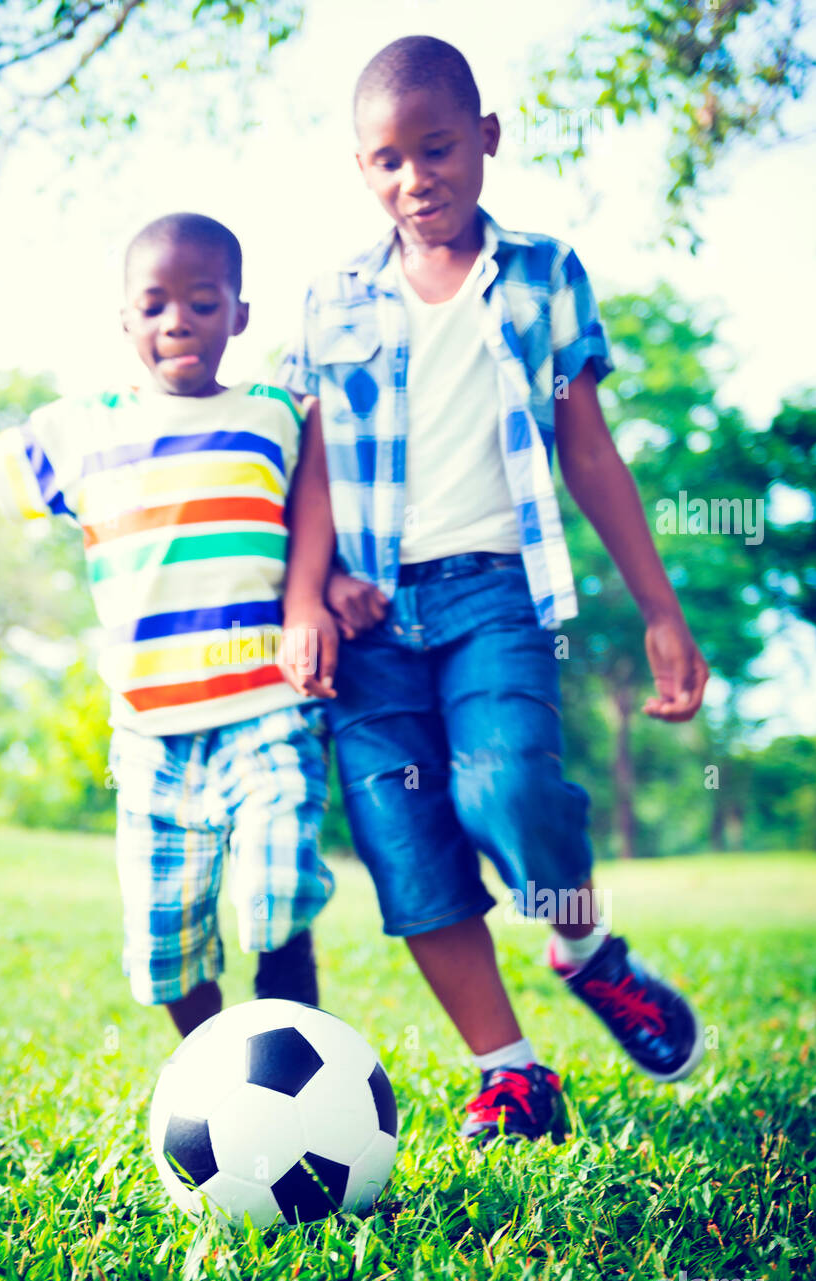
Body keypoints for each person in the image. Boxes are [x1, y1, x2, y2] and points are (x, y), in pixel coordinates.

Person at [277, 36, 711, 1143]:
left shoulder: (543, 274)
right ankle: (510, 1071)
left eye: (434, 149)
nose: (414, 177)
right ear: (359, 170)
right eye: (385, 161)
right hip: (368, 620)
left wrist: (660, 607)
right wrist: (308, 596)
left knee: (506, 790)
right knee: (405, 845)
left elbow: (590, 450)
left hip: (493, 597)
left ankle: (580, 945)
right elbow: (313, 462)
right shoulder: (329, 299)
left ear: (484, 139)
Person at [0, 212, 334, 1038]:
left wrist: (330, 594)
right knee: (167, 949)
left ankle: (292, 1019)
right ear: (124, 320)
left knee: (274, 889)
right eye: (153, 305)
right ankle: (214, 1072)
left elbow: (322, 510)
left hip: (264, 706)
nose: (177, 322)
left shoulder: (277, 413)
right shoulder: (83, 428)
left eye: (202, 300)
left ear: (239, 314)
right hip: (150, 735)